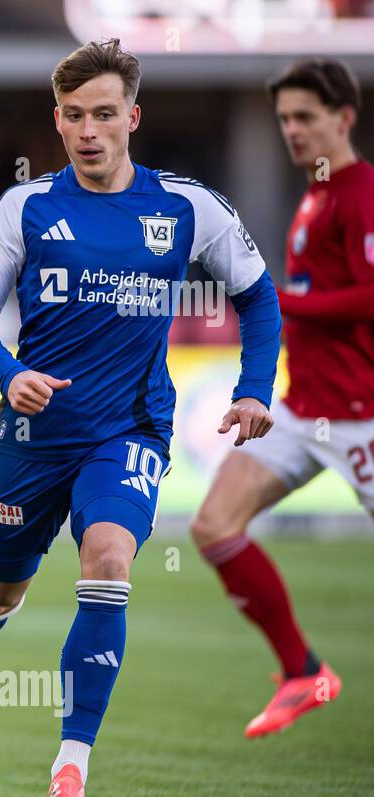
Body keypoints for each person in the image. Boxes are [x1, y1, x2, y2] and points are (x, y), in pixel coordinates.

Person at [0, 39, 281, 797]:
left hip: (132, 430)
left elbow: (258, 297)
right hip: (32, 435)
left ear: (132, 118)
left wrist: (253, 389)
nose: (89, 130)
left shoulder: (186, 208)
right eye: (74, 116)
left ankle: (69, 769)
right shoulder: (26, 208)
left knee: (108, 559)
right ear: (58, 120)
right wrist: (9, 374)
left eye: (105, 114)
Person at [191, 58, 372, 738]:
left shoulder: (360, 195)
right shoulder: (317, 194)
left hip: (362, 417)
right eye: (284, 119)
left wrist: (285, 300)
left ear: (344, 117)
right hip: (306, 409)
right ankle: (304, 670)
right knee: (212, 524)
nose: (292, 130)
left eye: (305, 117)